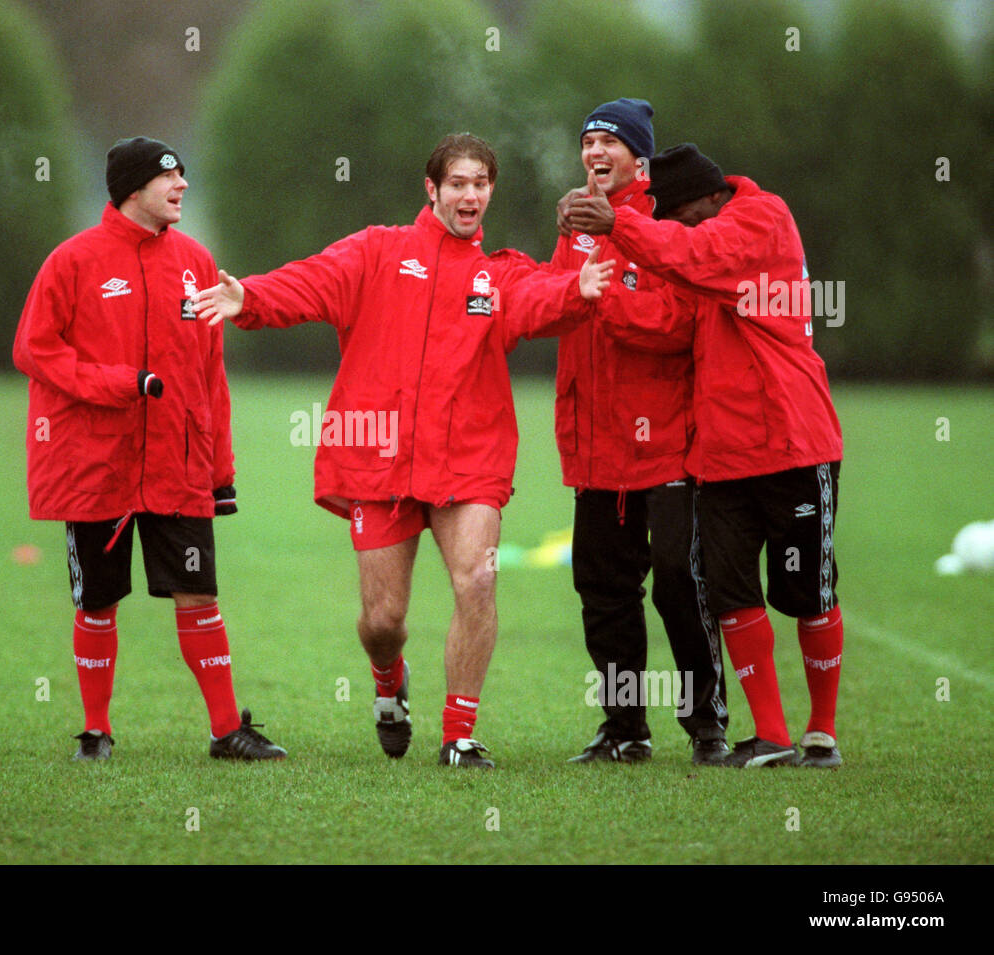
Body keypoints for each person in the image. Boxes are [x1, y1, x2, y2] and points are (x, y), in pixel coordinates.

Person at [194, 133, 615, 769]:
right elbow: (310, 282)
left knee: (478, 578)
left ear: (490, 192)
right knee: (383, 621)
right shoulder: (379, 251)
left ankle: (460, 735)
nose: (470, 195)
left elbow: (533, 302)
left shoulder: (499, 271)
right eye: (458, 184)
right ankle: (390, 682)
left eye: (480, 184)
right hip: (378, 462)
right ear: (432, 189)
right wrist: (248, 298)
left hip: (469, 463)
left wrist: (573, 289)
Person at [571, 143, 845, 768]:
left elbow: (695, 253)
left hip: (791, 438)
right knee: (732, 594)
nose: (677, 226)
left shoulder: (761, 217)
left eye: (682, 213)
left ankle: (822, 732)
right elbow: (665, 311)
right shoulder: (697, 239)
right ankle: (773, 737)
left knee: (808, 593)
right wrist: (589, 290)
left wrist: (621, 223)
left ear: (711, 196)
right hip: (719, 452)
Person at [14, 137, 286, 764]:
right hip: (95, 467)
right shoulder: (72, 261)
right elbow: (34, 349)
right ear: (132, 189)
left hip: (177, 465)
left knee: (199, 596)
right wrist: (116, 384)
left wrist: (221, 472)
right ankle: (95, 731)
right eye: (169, 177)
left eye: (185, 175)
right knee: (98, 599)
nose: (182, 186)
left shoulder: (196, 261)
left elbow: (210, 375)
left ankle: (226, 731)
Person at [549, 100, 729, 765]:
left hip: (664, 443)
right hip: (595, 443)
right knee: (602, 587)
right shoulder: (574, 224)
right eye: (587, 140)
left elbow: (678, 324)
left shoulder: (668, 217)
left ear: (638, 158)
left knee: (678, 577)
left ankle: (706, 720)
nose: (595, 152)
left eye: (610, 142)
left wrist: (604, 297)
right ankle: (624, 727)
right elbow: (556, 301)